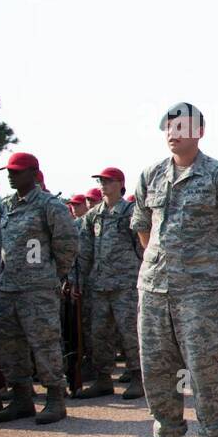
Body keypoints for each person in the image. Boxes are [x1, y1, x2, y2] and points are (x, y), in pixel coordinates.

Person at [130, 103, 218, 437]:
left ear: (199, 131)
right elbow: (144, 230)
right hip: (155, 289)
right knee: (157, 372)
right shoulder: (150, 174)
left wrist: (209, 269)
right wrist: (163, 264)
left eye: (181, 125)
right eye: (168, 125)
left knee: (204, 372)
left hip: (202, 292)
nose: (172, 131)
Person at [0, 152, 78, 424]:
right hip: (8, 289)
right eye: (9, 171)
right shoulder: (5, 206)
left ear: (33, 173)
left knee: (45, 343)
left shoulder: (49, 205)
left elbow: (68, 244)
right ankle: (21, 398)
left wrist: (52, 275)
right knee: (10, 346)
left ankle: (55, 398)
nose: (11, 175)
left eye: (17, 171)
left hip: (38, 289)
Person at [75, 166, 144, 400]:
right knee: (99, 334)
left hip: (126, 284)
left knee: (130, 333)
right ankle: (103, 379)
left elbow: (142, 247)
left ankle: (138, 377)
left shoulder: (131, 212)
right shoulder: (94, 215)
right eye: (100, 182)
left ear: (120, 184)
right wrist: (80, 281)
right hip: (100, 284)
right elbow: (85, 251)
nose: (103, 185)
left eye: (108, 181)